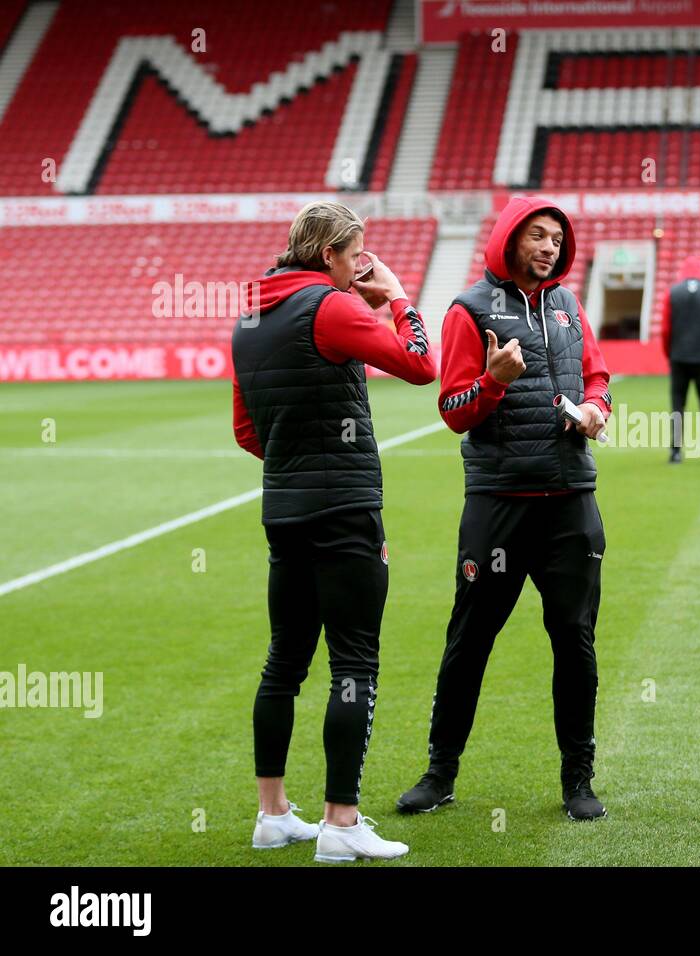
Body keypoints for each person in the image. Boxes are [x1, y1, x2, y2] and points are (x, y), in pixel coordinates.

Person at [232, 200, 436, 863]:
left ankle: (273, 814)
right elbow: (418, 363)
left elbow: (245, 431)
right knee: (354, 662)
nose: (360, 269)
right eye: (356, 256)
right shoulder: (333, 306)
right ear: (329, 255)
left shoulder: (250, 314)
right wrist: (399, 298)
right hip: (344, 511)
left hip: (284, 511)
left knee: (284, 663)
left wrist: (298, 465)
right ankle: (341, 823)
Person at [397, 196, 614, 822]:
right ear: (510, 239)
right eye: (538, 236)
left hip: (572, 499)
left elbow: (596, 376)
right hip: (499, 505)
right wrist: (492, 380)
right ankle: (439, 775)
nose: (549, 247)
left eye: (556, 239)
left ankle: (579, 779)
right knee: (470, 640)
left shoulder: (569, 307)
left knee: (575, 641)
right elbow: (453, 410)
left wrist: (597, 408)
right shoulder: (469, 310)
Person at [661, 254, 700, 463]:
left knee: (678, 406)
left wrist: (669, 353)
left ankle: (676, 452)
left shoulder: (672, 293)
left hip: (679, 357)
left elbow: (665, 329)